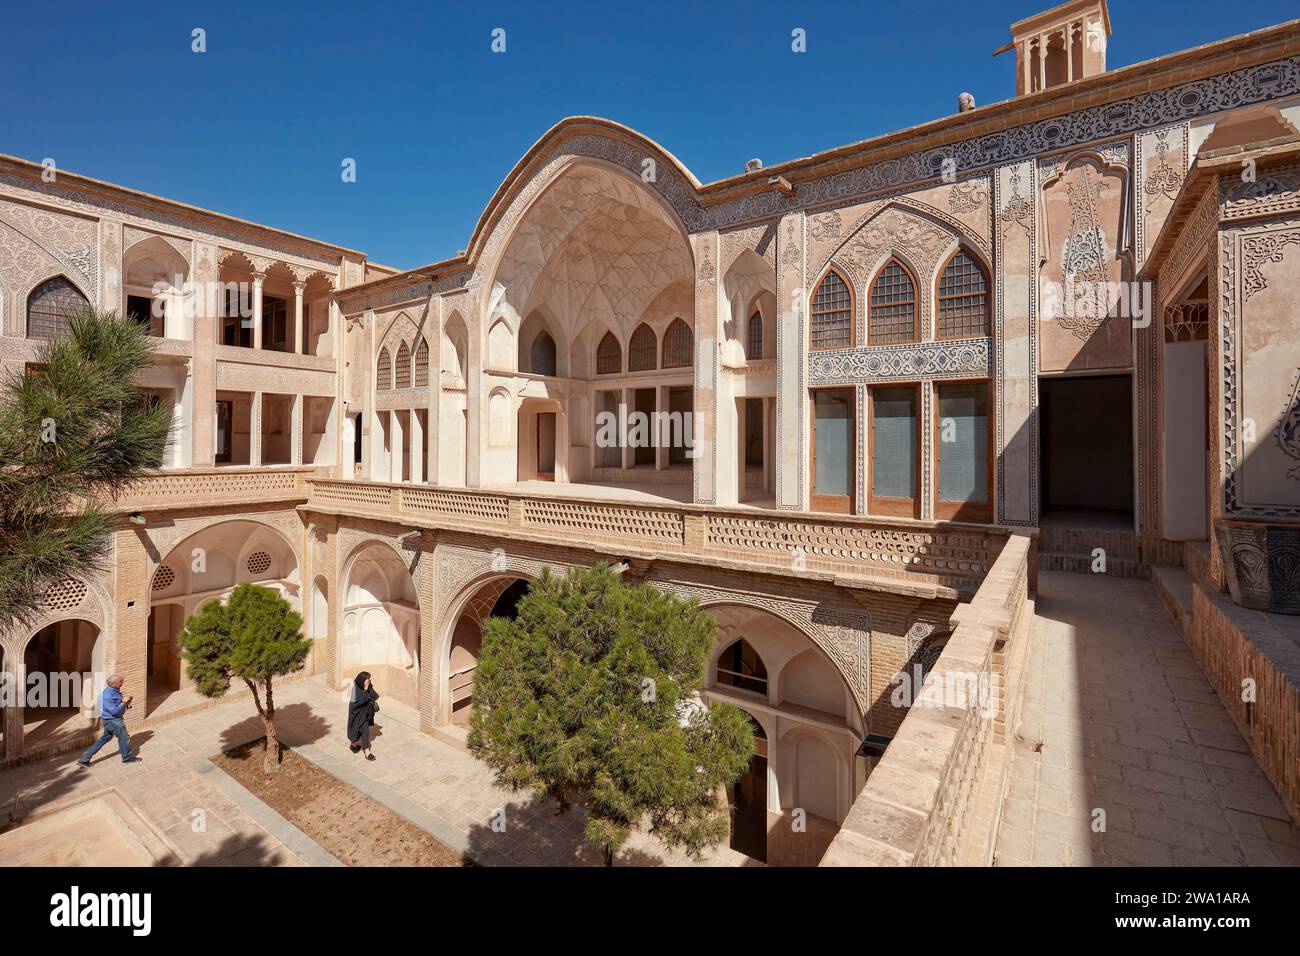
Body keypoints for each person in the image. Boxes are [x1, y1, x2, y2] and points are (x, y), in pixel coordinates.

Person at [77, 675, 138, 767]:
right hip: (113, 721)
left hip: (111, 720)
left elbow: (115, 704)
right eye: (120, 681)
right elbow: (113, 711)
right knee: (124, 738)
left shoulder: (113, 691)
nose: (123, 682)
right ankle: (127, 758)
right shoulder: (108, 695)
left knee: (104, 739)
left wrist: (125, 702)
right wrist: (123, 702)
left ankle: (84, 759)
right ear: (114, 684)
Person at [347, 671, 380, 760]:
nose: (369, 682)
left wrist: (368, 689)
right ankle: (353, 745)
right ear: (362, 681)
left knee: (365, 732)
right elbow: (357, 703)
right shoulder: (355, 690)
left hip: (364, 714)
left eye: (369, 680)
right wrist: (365, 690)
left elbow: (373, 695)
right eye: (367, 680)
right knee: (355, 730)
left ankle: (367, 752)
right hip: (356, 714)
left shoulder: (368, 685)